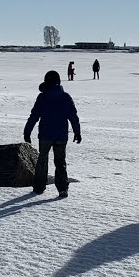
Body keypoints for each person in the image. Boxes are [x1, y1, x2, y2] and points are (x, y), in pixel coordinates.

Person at [24, 70, 81, 198]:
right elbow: (73, 116)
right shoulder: (65, 97)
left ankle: (39, 186)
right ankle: (62, 189)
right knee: (60, 162)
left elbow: (34, 116)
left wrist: (27, 132)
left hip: (45, 135)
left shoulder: (42, 97)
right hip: (61, 135)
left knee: (42, 160)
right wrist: (77, 132)